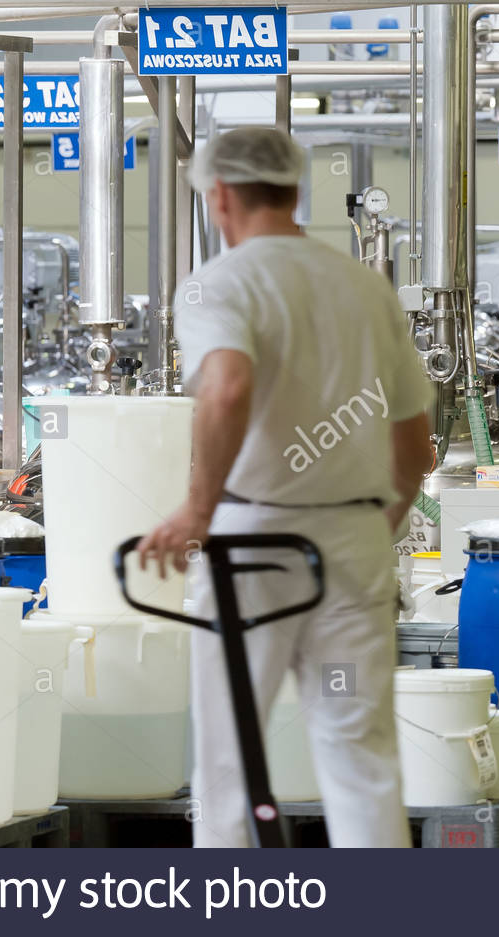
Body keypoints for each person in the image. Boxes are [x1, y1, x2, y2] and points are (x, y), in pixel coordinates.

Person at [136, 127, 433, 845]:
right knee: (358, 747)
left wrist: (197, 507)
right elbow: (418, 443)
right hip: (354, 542)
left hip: (253, 544)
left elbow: (228, 386)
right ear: (297, 191)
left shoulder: (221, 283)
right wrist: (373, 523)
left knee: (229, 752)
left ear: (220, 196)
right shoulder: (365, 287)